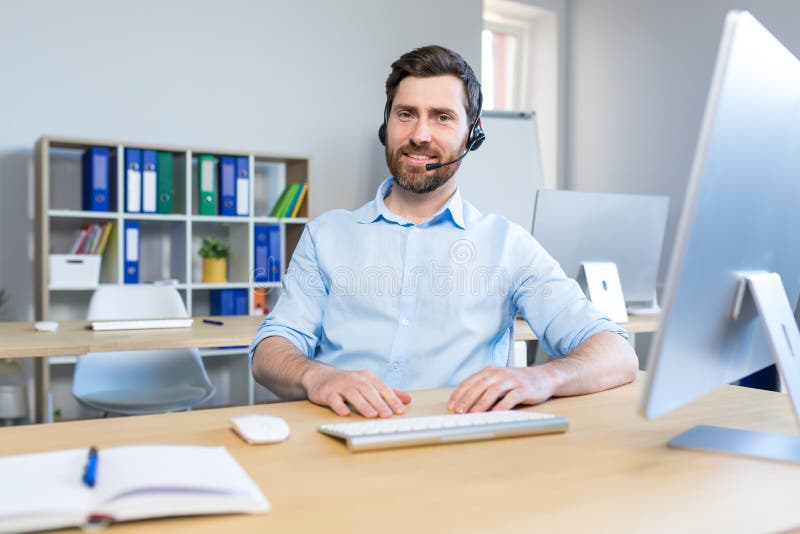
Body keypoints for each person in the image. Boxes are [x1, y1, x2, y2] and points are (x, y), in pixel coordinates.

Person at [250, 45, 638, 418]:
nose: (420, 134)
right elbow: (270, 350)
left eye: (442, 117)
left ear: (473, 134)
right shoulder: (326, 235)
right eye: (406, 114)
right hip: (340, 436)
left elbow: (616, 353)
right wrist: (317, 376)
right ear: (387, 126)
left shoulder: (508, 245)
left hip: (459, 452)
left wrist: (544, 377)